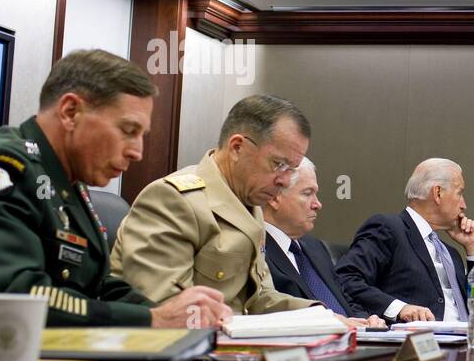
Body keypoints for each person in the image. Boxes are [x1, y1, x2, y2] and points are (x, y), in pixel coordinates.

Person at [0, 49, 229, 328]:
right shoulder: (8, 168)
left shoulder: (66, 178)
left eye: (141, 135)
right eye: (128, 130)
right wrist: (150, 319)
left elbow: (98, 283)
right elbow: (18, 296)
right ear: (71, 112)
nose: (137, 152)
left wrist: (172, 314)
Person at [111, 94, 320, 316]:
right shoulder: (173, 199)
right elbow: (166, 308)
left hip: (228, 341)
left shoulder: (250, 205)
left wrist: (322, 316)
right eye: (279, 164)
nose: (285, 181)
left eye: (292, 169)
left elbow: (258, 299)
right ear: (237, 147)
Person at [336, 158, 474, 323]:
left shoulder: (451, 254)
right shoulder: (389, 229)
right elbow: (346, 278)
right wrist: (400, 308)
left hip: (468, 341)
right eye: (460, 193)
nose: (464, 205)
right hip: (422, 342)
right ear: (438, 193)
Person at [262, 157, 384, 326]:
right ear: (274, 198)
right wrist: (330, 322)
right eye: (307, 193)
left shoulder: (316, 248)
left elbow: (345, 301)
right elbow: (269, 310)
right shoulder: (256, 249)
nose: (317, 204)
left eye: (316, 194)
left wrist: (368, 320)